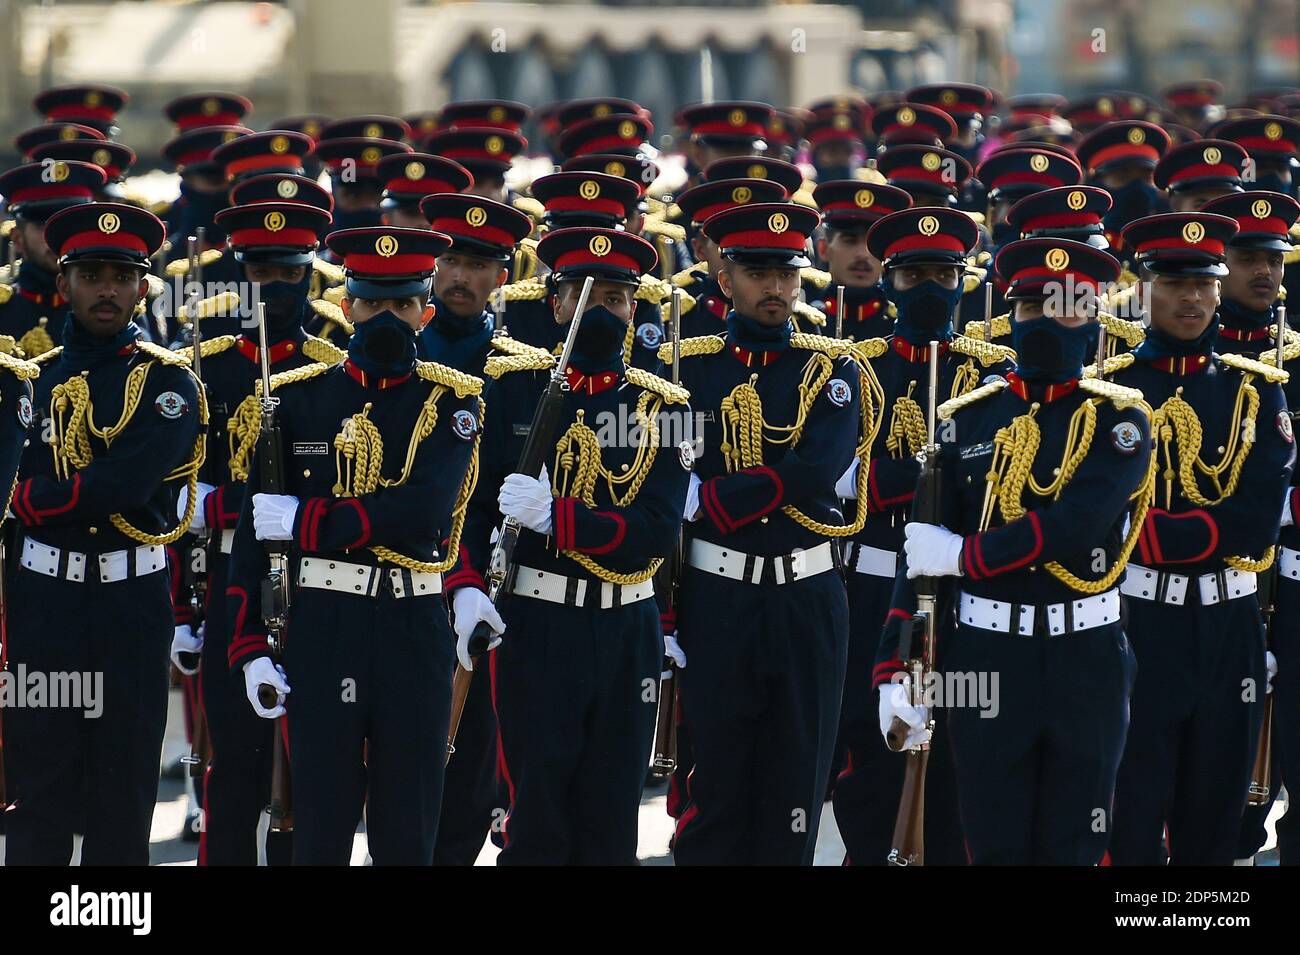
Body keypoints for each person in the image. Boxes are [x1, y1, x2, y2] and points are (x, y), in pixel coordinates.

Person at [875, 234, 1152, 864]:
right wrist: (893, 669)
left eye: (1066, 308)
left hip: (1084, 657)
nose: (1047, 324)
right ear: (1010, 316)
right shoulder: (965, 418)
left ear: (1094, 318)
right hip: (987, 658)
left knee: (1075, 843)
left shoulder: (1122, 421)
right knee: (993, 839)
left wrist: (964, 557)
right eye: (1031, 309)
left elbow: (1076, 526)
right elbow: (920, 557)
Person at [223, 225, 484, 865]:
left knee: (407, 828)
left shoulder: (453, 402)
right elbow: (256, 536)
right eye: (371, 303)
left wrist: (310, 522)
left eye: (400, 305)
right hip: (324, 626)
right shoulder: (292, 400)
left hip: (412, 625)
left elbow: (423, 513)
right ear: (346, 307)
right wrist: (250, 645)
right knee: (319, 826)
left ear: (425, 310)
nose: (385, 319)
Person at [448, 226, 691, 864]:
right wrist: (467, 587)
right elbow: (470, 511)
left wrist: (558, 518)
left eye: (615, 298)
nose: (601, 310)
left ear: (634, 308)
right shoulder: (508, 390)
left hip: (624, 623)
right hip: (538, 621)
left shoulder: (663, 408)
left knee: (610, 817)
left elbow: (657, 532)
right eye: (585, 295)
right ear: (555, 303)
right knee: (535, 812)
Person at [668, 202, 868, 865]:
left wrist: (719, 493)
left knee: (795, 792)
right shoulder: (688, 366)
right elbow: (670, 461)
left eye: (787, 273)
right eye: (758, 272)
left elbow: (820, 465)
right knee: (717, 791)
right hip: (718, 597)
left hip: (805, 595)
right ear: (724, 278)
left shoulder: (830, 366)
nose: (776, 288)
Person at [4, 202, 201, 865]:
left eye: (121, 275)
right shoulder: (27, 381)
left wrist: (31, 499)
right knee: (40, 787)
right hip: (44, 609)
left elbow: (124, 486)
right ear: (64, 284)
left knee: (124, 794)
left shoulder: (171, 384)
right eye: (91, 274)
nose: (107, 289)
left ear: (144, 286)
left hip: (129, 608)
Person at [1108, 211, 1295, 865]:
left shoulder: (1255, 391)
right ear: (1144, 288)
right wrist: (1185, 535)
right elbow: (1100, 517)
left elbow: (1257, 524)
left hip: (1227, 623)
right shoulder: (1112, 390)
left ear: (1218, 290)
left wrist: (1151, 532)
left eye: (1203, 282)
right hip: (1139, 619)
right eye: (1173, 281)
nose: (1190, 297)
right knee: (1131, 811)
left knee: (1213, 819)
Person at [830, 206, 1014, 865]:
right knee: (872, 750)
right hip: (875, 581)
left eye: (944, 273)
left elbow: (1004, 480)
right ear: (888, 282)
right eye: (914, 277)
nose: (931, 289)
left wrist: (909, 477)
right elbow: (843, 481)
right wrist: (943, 471)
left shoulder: (999, 372)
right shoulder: (852, 366)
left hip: (966, 591)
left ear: (964, 280)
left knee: (960, 755)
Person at [171, 199, 338, 866]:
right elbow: (172, 491)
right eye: (261, 270)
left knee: (310, 779)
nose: (274, 286)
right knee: (234, 771)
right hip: (229, 584)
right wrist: (182, 606)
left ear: (309, 275)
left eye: (289, 273)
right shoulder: (200, 363)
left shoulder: (334, 363)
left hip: (311, 582)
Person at [415, 191, 533, 864]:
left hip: (485, 593)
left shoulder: (521, 372)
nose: (461, 275)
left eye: (479, 262)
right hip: (400, 590)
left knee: (473, 773)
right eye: (451, 258)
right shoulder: (393, 351)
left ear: (503, 275)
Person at [1199, 189, 1300, 863]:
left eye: (1274, 257)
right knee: (1210, 786)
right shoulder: (1194, 362)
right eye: (1246, 256)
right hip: (1214, 586)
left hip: (1289, 581)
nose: (1264, 271)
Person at [0, 160, 107, 357]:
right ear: (17, 238)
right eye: (43, 226)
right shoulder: (4, 310)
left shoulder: (111, 309)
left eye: (71, 223)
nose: (58, 236)